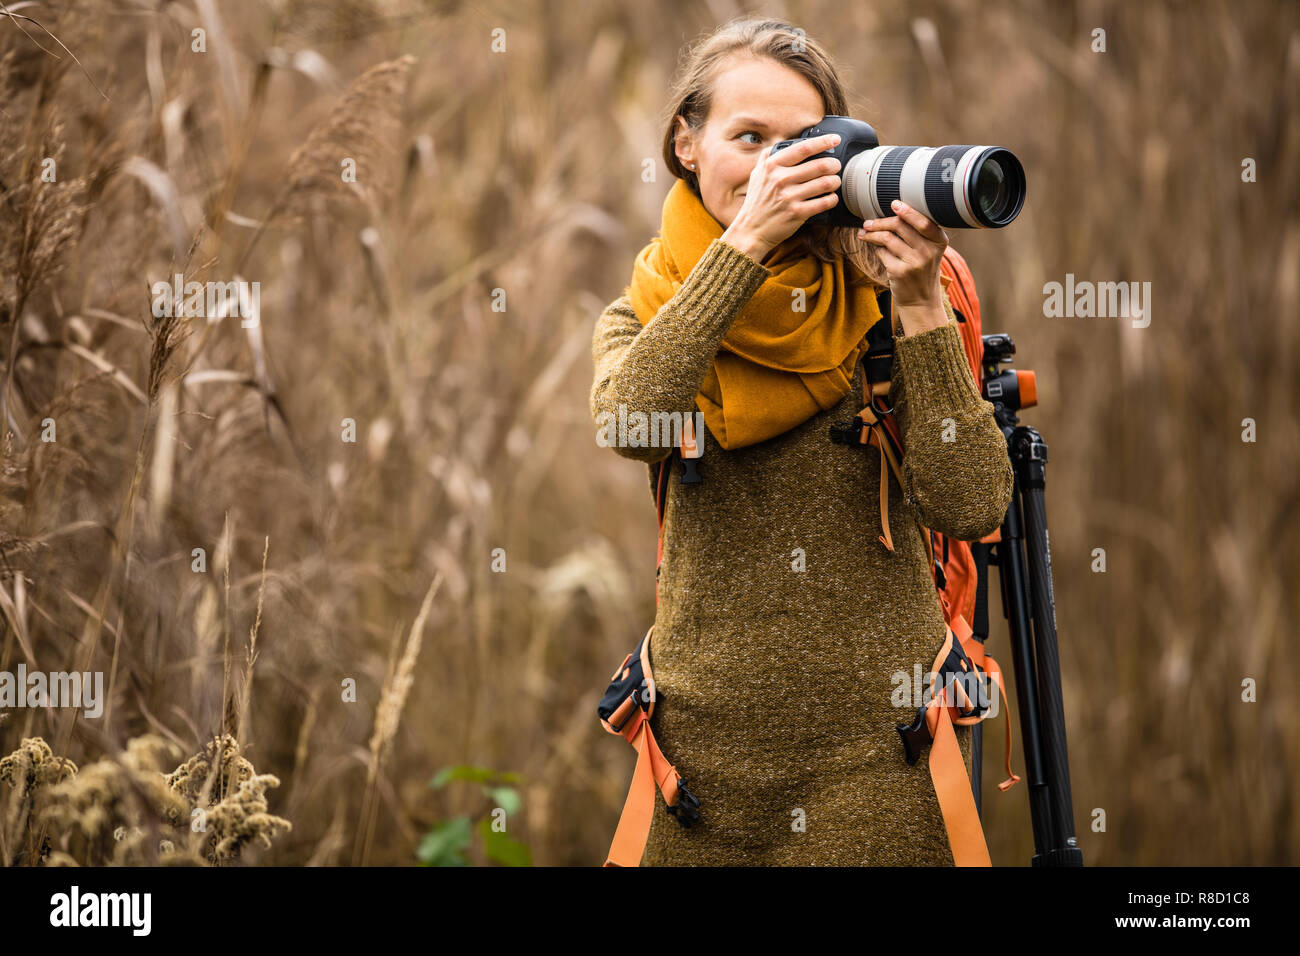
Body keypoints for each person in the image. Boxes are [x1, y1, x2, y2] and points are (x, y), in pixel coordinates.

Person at [589, 16, 1014, 865]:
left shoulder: (882, 304)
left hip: (878, 768)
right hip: (696, 777)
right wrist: (744, 244)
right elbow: (630, 423)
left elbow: (973, 503)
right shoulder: (646, 311)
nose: (777, 168)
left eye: (801, 145)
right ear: (685, 142)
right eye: (749, 139)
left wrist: (924, 301)